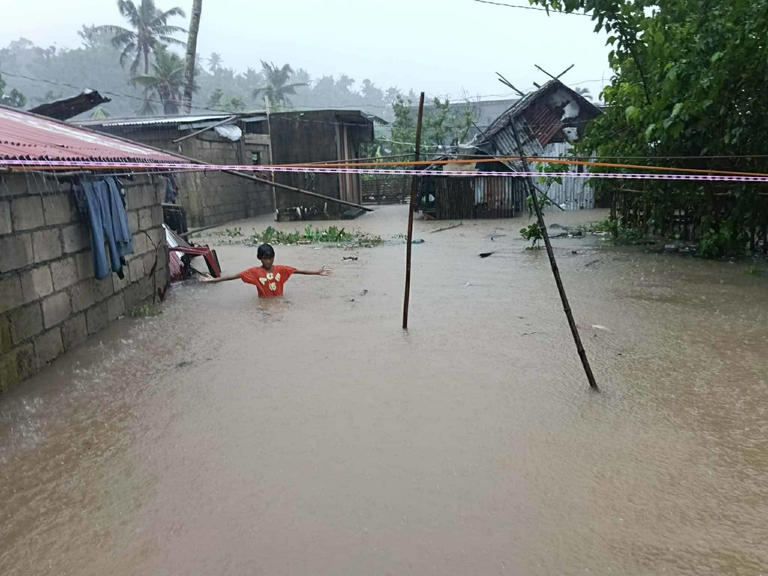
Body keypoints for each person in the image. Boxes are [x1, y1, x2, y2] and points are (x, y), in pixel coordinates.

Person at [199, 243, 331, 297]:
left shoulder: (281, 269)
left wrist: (317, 272)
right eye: (265, 259)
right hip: (264, 303)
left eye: (271, 258)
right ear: (259, 258)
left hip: (279, 299)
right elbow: (233, 277)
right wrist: (213, 280)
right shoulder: (254, 272)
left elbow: (298, 271)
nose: (268, 261)